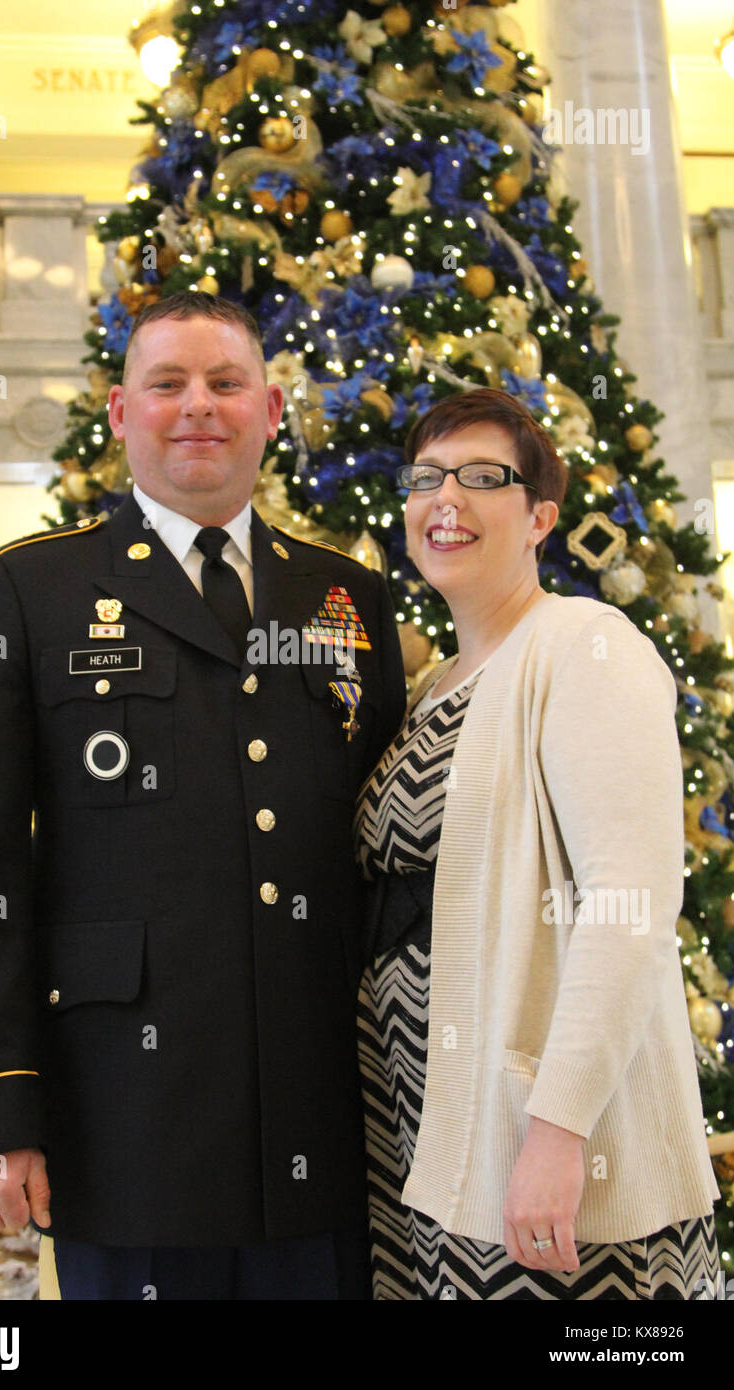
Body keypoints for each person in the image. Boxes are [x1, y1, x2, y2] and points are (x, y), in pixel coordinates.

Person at [0, 291, 406, 1300]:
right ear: (120, 413)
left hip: (323, 1124)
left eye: (226, 384)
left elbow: (382, 855)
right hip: (124, 1129)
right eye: (166, 383)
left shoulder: (346, 597)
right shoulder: (29, 591)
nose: (198, 406)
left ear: (269, 412)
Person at [354, 386, 721, 1300]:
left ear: (540, 517)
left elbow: (629, 906)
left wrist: (558, 1132)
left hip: (552, 1148)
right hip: (434, 1123)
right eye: (427, 477)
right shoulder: (436, 682)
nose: (448, 500)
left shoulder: (585, 646)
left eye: (485, 478)